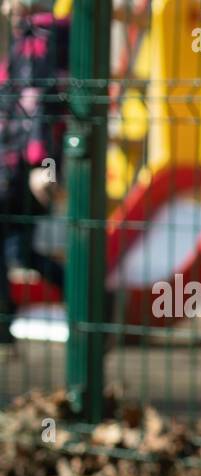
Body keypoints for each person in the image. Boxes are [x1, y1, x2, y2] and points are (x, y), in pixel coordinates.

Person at [0, 0, 67, 352]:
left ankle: (89, 298)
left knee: (19, 250)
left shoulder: (46, 35)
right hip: (13, 161)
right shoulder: (22, 36)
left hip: (31, 165)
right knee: (17, 250)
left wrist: (45, 167)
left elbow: (46, 106)